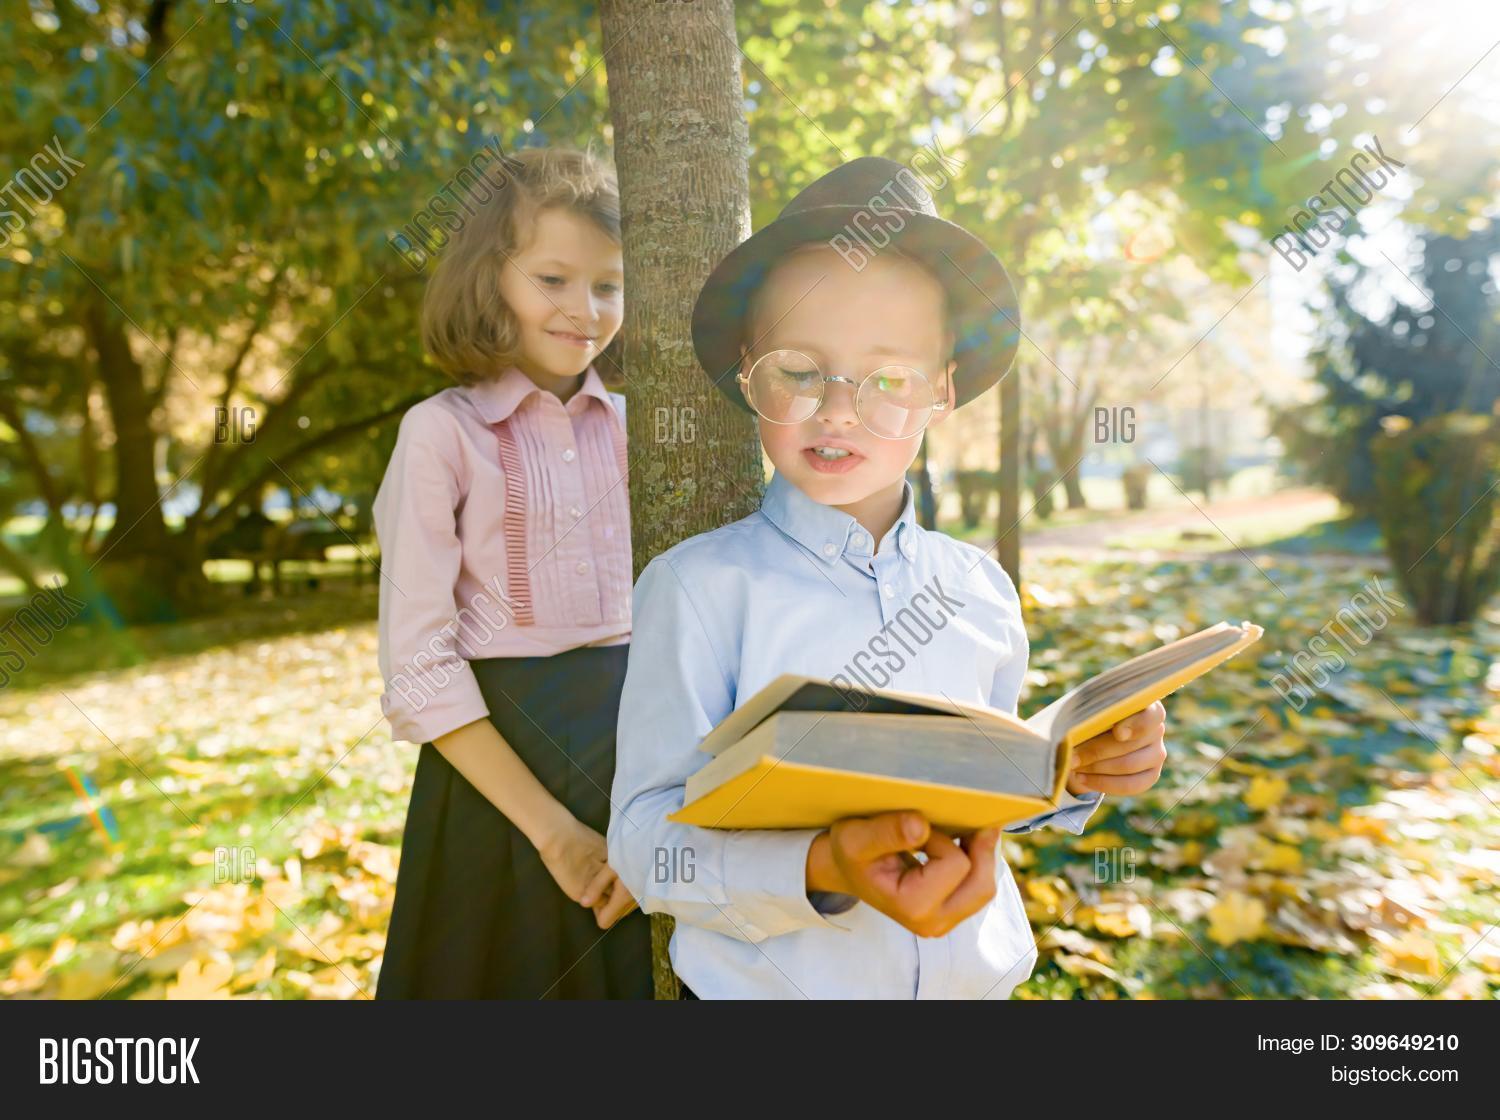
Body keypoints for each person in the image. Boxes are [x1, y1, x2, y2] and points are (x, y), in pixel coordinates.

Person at [608, 157, 1168, 999]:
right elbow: (644, 842)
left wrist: (1074, 769)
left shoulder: (980, 589)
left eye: (891, 378)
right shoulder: (698, 589)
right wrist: (821, 866)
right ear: (749, 372)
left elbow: (989, 783)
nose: (838, 409)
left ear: (942, 392)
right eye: (799, 370)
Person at [374, 145, 651, 999]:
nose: (585, 310)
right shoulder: (441, 434)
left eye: (608, 285)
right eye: (553, 279)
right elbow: (419, 665)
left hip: (639, 756)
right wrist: (553, 831)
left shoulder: (641, 426)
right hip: (498, 781)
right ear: (490, 277)